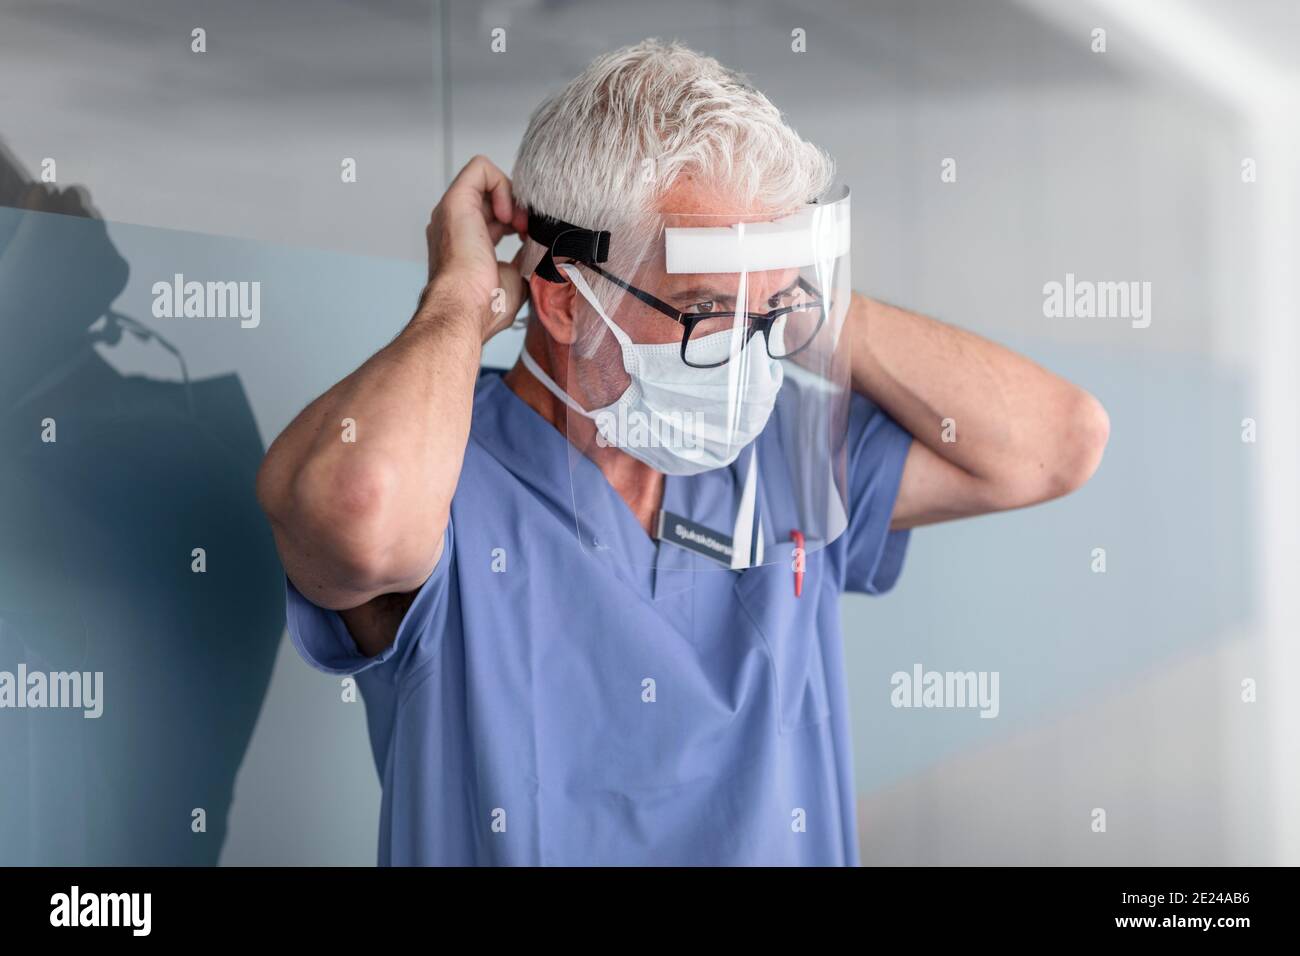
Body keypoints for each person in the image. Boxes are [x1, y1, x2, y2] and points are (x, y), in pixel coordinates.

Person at [256, 40, 1108, 865]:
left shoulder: (785, 458)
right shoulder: (445, 477)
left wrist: (795, 302)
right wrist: (457, 299)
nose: (749, 351)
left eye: (772, 311)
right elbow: (359, 514)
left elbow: (1058, 443)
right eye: (705, 310)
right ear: (561, 299)